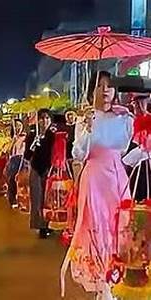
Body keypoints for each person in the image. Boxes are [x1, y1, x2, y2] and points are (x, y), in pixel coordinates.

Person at [60, 71, 133, 300]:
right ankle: (102, 285)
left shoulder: (124, 119)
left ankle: (114, 282)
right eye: (99, 86)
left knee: (119, 229)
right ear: (92, 91)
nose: (105, 91)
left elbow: (124, 149)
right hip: (94, 180)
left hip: (118, 179)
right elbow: (78, 153)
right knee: (96, 228)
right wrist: (88, 129)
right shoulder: (85, 119)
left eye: (109, 86)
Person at [24, 108, 56, 239]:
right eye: (42, 118)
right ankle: (41, 226)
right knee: (36, 198)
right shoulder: (32, 135)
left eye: (47, 118)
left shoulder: (54, 135)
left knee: (48, 199)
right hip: (36, 169)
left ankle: (50, 224)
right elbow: (27, 155)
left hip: (50, 169)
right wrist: (33, 144)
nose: (44, 121)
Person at [5, 119, 26, 208]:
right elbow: (7, 151)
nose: (18, 127)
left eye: (19, 125)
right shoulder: (10, 138)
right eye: (16, 125)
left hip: (23, 159)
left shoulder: (25, 136)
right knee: (12, 179)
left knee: (23, 181)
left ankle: (23, 199)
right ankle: (12, 199)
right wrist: (13, 141)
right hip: (14, 159)